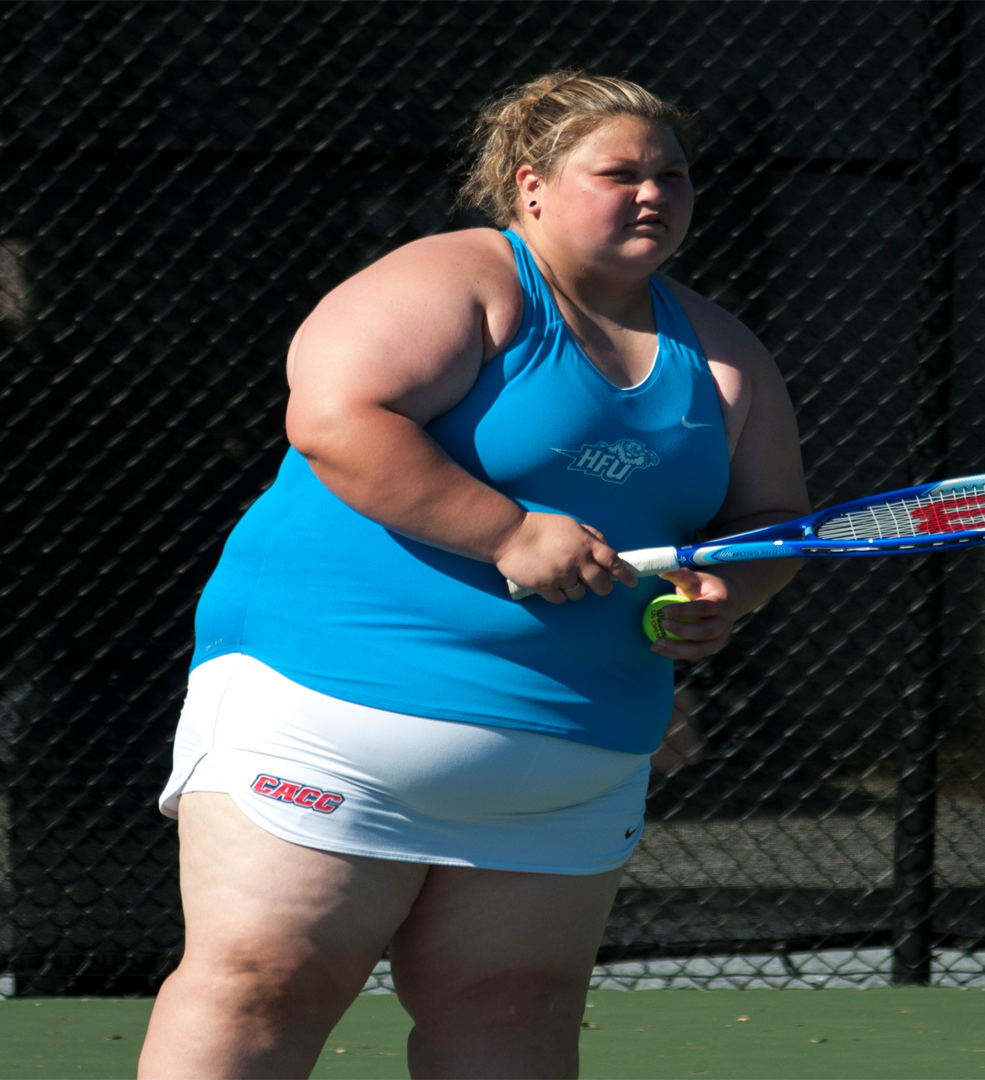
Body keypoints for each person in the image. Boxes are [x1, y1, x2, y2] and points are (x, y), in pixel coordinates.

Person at [137, 71, 810, 1080]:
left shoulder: (722, 353)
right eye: (618, 172)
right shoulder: (460, 281)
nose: (653, 193)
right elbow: (333, 419)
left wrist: (726, 595)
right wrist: (506, 533)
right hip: (326, 716)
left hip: (574, 760)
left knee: (517, 1011)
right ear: (532, 187)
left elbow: (771, 523)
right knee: (262, 984)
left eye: (670, 173)